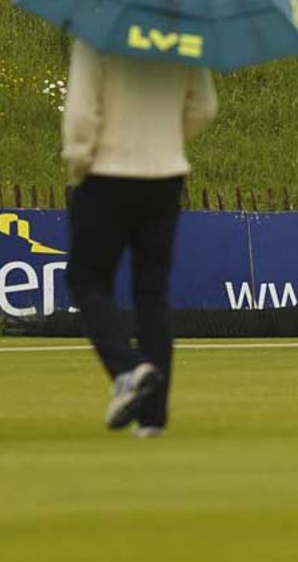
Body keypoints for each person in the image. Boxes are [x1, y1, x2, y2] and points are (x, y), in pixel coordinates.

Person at [62, 36, 217, 437]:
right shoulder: (182, 34)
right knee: (152, 292)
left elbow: (80, 113)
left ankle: (127, 371)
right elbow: (203, 107)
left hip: (106, 173)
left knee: (87, 281)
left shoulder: (96, 34)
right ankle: (152, 417)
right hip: (165, 175)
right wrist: (166, 143)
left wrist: (79, 164)